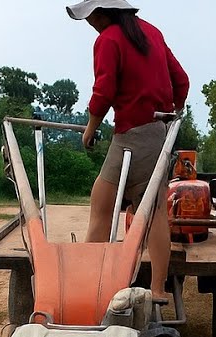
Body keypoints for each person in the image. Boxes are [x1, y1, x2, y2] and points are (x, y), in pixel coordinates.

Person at [67, 0, 189, 301]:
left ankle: (88, 284)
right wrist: (172, 113)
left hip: (131, 136)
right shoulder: (152, 33)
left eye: (90, 16)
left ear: (103, 12)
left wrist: (91, 127)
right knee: (155, 212)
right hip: (158, 133)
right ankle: (158, 290)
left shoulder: (108, 39)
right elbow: (181, 80)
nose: (89, 22)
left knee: (101, 207)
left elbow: (104, 89)